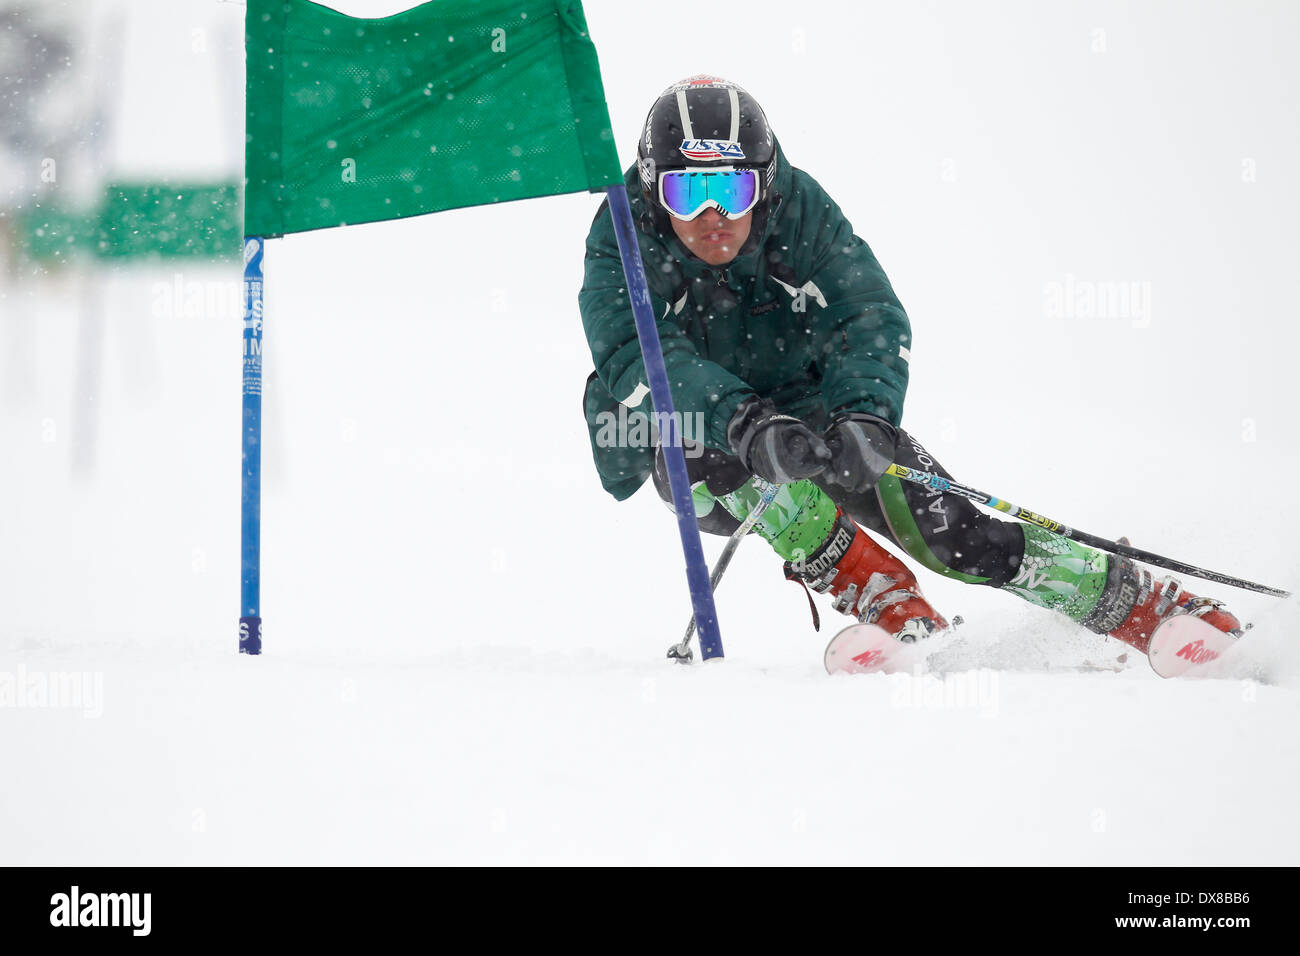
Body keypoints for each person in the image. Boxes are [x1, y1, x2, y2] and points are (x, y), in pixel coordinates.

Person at [578, 75, 1241, 653]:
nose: (714, 216)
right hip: (696, 430)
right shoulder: (624, 231)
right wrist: (741, 423)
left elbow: (867, 311)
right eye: (687, 193)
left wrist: (864, 415)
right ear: (651, 188)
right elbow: (632, 352)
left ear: (766, 183)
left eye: (732, 186)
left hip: (812, 408)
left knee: (952, 532)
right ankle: (889, 602)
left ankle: (1138, 604)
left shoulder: (800, 210)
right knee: (712, 461)